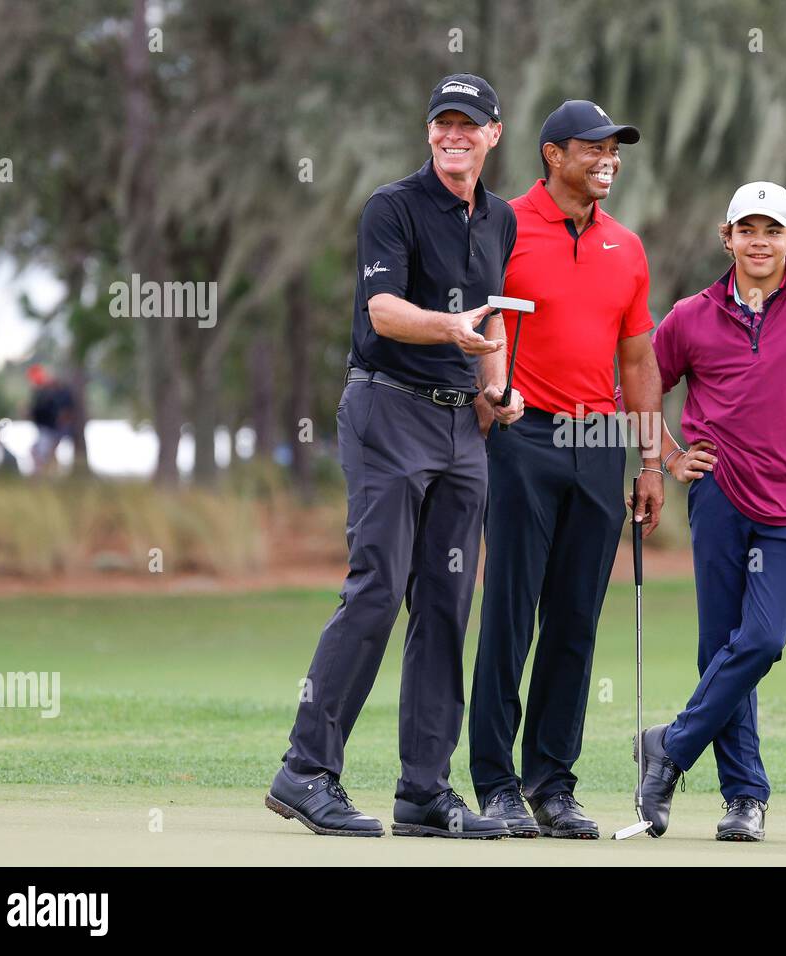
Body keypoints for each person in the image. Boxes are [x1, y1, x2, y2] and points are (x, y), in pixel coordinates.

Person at [267, 73, 524, 839]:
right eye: (443, 123)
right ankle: (305, 770)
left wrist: (498, 390)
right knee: (377, 588)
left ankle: (425, 792)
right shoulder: (393, 207)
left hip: (460, 430)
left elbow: (495, 318)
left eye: (468, 125)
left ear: (493, 136)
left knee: (445, 606)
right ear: (428, 132)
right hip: (388, 410)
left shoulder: (501, 219)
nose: (455, 136)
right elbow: (383, 313)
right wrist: (453, 333)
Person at [634, 181, 786, 841]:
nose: (759, 242)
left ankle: (669, 748)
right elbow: (644, 377)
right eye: (747, 229)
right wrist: (668, 458)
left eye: (773, 230)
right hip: (719, 498)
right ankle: (744, 800)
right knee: (719, 649)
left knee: (761, 640)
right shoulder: (691, 314)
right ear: (727, 237)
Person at [468, 100, 665, 839]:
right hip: (523, 438)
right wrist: (490, 406)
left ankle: (551, 783)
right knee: (511, 615)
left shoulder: (627, 246)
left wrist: (650, 459)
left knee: (576, 622)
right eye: (594, 148)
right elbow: (482, 323)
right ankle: (494, 784)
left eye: (616, 149)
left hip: (599, 445)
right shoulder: (505, 224)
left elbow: (638, 358)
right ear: (554, 154)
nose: (608, 159)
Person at [27, 365, 74, 475]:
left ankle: (42, 475)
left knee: (41, 453)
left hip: (50, 430)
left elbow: (62, 414)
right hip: (45, 429)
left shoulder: (55, 394)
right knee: (43, 453)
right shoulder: (41, 392)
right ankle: (49, 475)